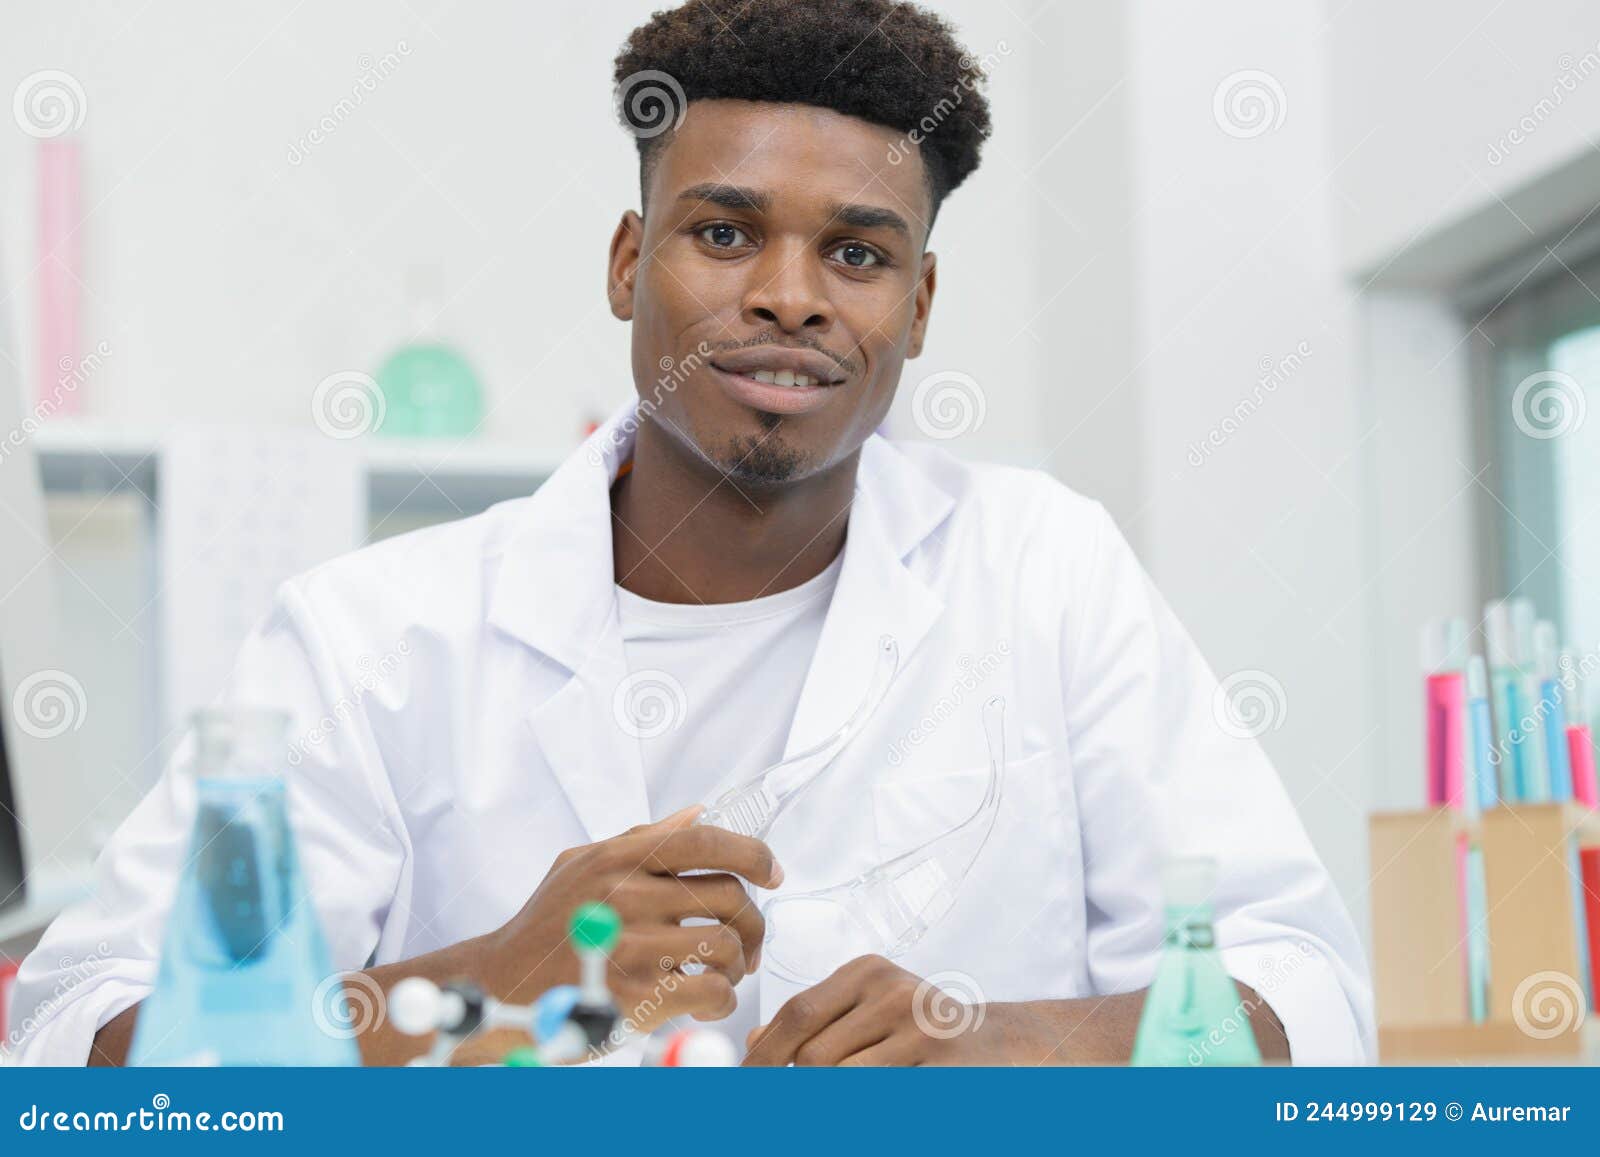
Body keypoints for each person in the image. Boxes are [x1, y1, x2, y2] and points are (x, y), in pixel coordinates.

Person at [8, 0, 1372, 1067]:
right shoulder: (374, 636)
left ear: (921, 300)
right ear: (625, 260)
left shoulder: (1047, 574)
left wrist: (997, 1038)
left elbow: (1303, 991)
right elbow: (85, 1039)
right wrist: (488, 987)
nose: (789, 296)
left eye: (857, 252)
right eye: (724, 232)